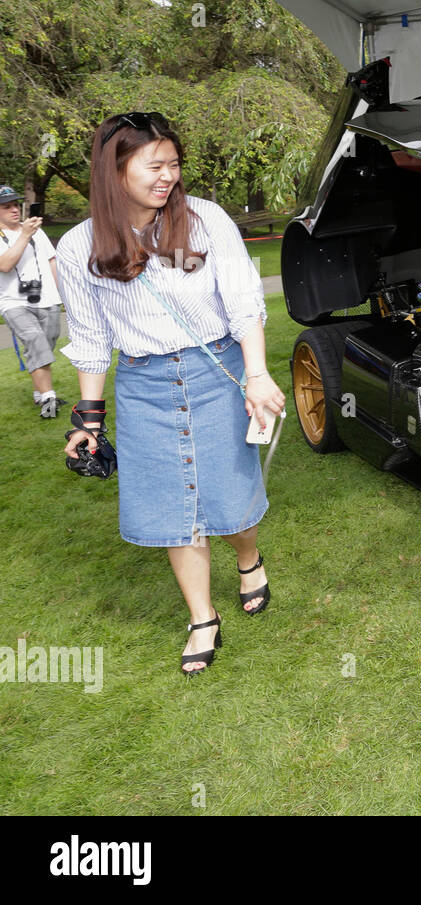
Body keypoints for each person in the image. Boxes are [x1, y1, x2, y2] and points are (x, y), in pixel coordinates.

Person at [57, 112, 286, 675]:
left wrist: (257, 374)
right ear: (114, 170)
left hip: (215, 373)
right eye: (153, 165)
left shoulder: (205, 220)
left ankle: (248, 558)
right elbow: (90, 340)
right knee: (173, 505)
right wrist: (89, 421)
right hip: (144, 385)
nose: (167, 176)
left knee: (231, 502)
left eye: (173, 164)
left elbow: (242, 301)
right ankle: (202, 616)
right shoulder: (78, 246)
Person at [0, 185, 66, 416]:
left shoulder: (36, 230)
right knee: (35, 340)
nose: (14, 210)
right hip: (14, 302)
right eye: (6, 206)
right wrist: (24, 235)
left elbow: (51, 260)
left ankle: (40, 391)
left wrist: (61, 295)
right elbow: (5, 264)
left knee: (46, 344)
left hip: (47, 298)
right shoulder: (23, 232)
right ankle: (49, 398)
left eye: (15, 205)